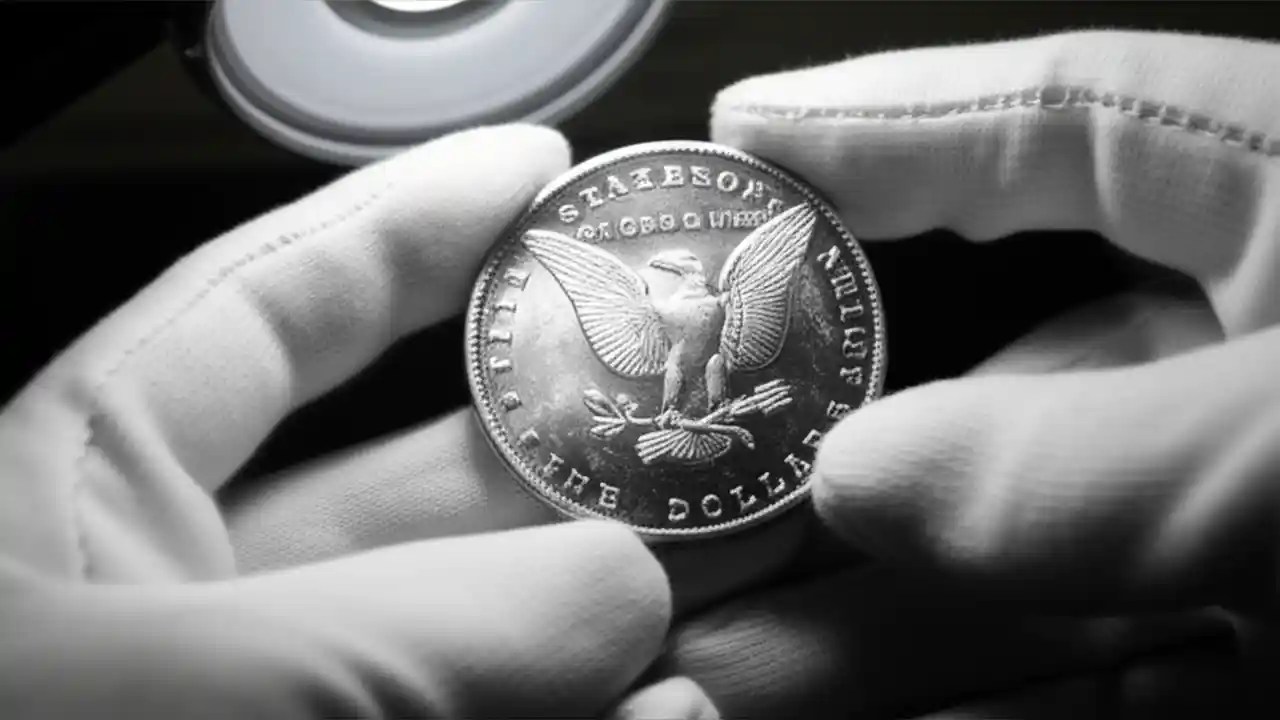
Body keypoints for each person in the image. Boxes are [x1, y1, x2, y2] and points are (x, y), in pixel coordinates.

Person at [1, 29, 1274, 719]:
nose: (671, 279)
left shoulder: (736, 295)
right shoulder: (635, 306)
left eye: (683, 279)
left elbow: (739, 293)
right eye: (658, 281)